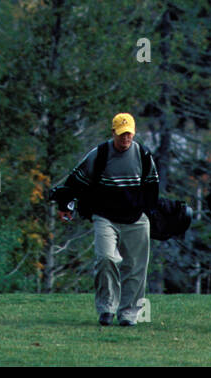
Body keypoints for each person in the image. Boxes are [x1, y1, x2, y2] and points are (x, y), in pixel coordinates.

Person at [48, 113, 159, 326]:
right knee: (106, 259)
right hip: (105, 217)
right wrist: (64, 204)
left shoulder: (143, 155)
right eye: (121, 134)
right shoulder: (99, 154)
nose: (125, 139)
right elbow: (76, 180)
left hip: (135, 218)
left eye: (129, 134)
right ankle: (107, 308)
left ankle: (128, 314)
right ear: (113, 133)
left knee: (136, 267)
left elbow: (152, 187)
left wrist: (149, 213)